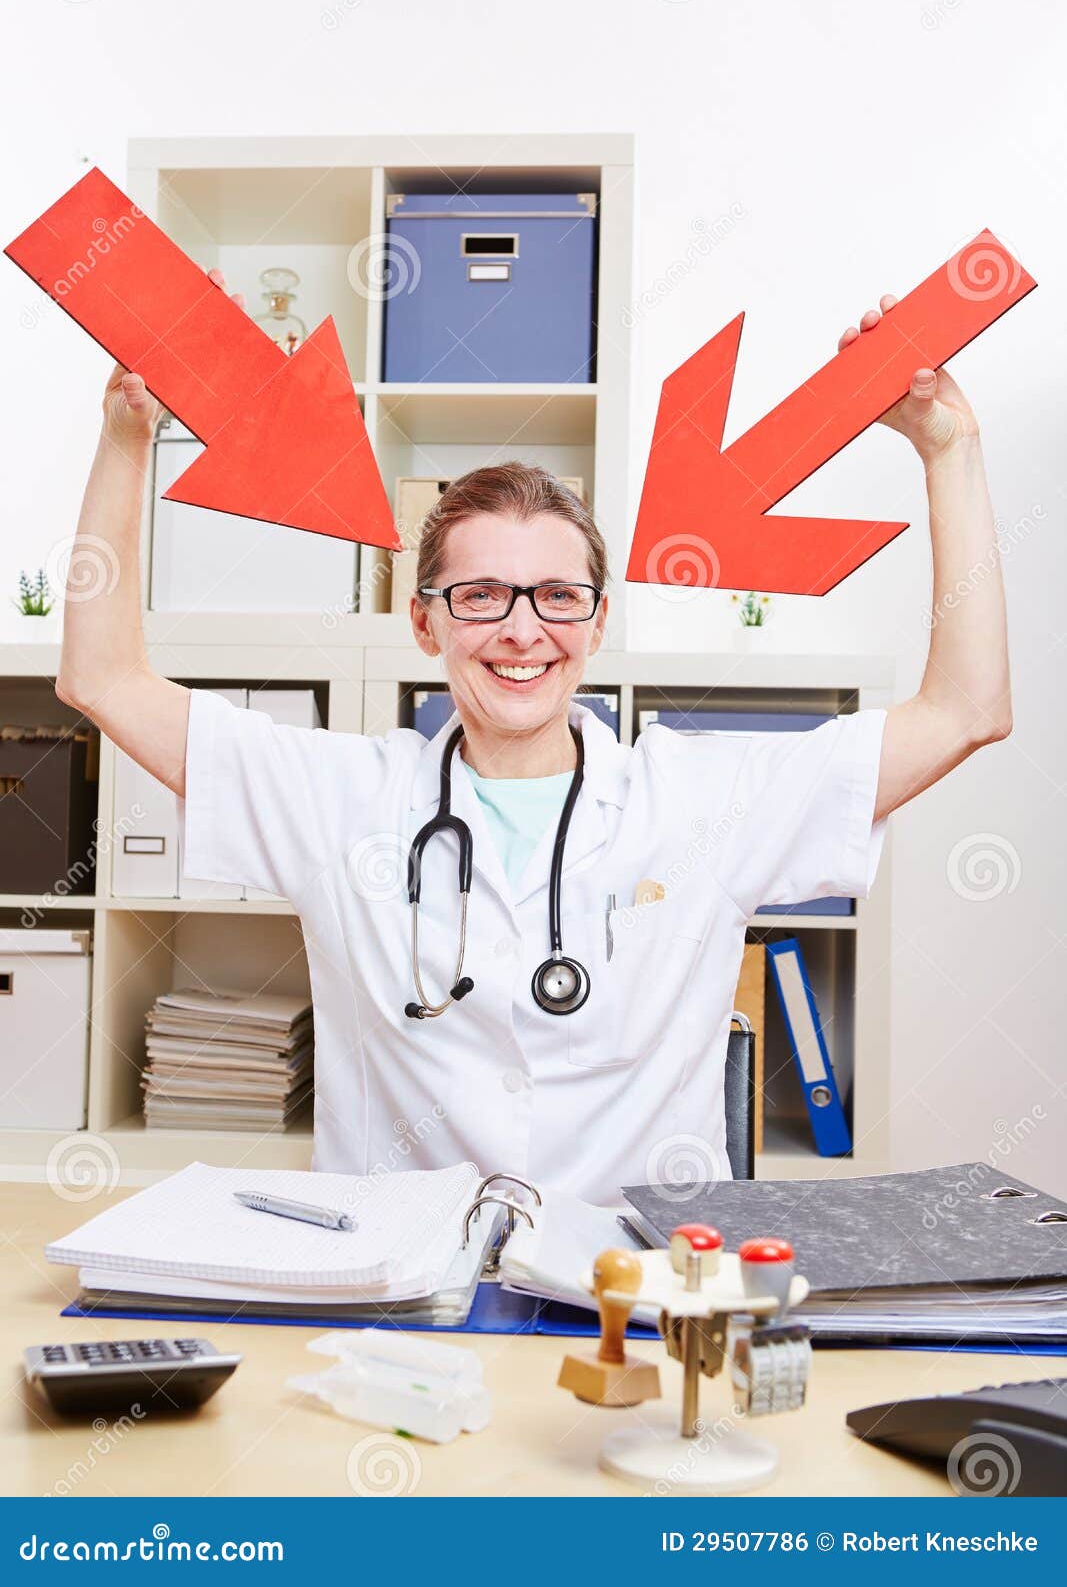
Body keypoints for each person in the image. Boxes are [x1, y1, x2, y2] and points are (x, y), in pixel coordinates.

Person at [56, 278, 1012, 1205]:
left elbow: (967, 709)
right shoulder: (337, 796)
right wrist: (128, 438)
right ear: (425, 623)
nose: (522, 632)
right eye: (480, 596)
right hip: (399, 1285)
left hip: (630, 1281)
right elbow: (101, 678)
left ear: (597, 623)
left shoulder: (703, 798)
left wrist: (950, 450)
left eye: (557, 596)